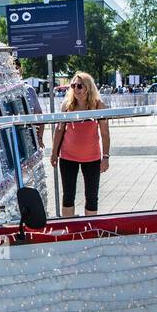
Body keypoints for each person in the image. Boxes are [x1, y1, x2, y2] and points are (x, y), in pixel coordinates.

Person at [49, 72, 111, 218]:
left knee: (91, 196)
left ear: (88, 87)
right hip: (68, 156)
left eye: (79, 86)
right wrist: (53, 153)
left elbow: (105, 133)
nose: (76, 89)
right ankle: (69, 227)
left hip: (92, 157)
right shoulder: (67, 105)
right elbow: (59, 130)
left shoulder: (98, 105)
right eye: (73, 86)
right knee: (68, 194)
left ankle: (89, 227)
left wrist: (106, 156)